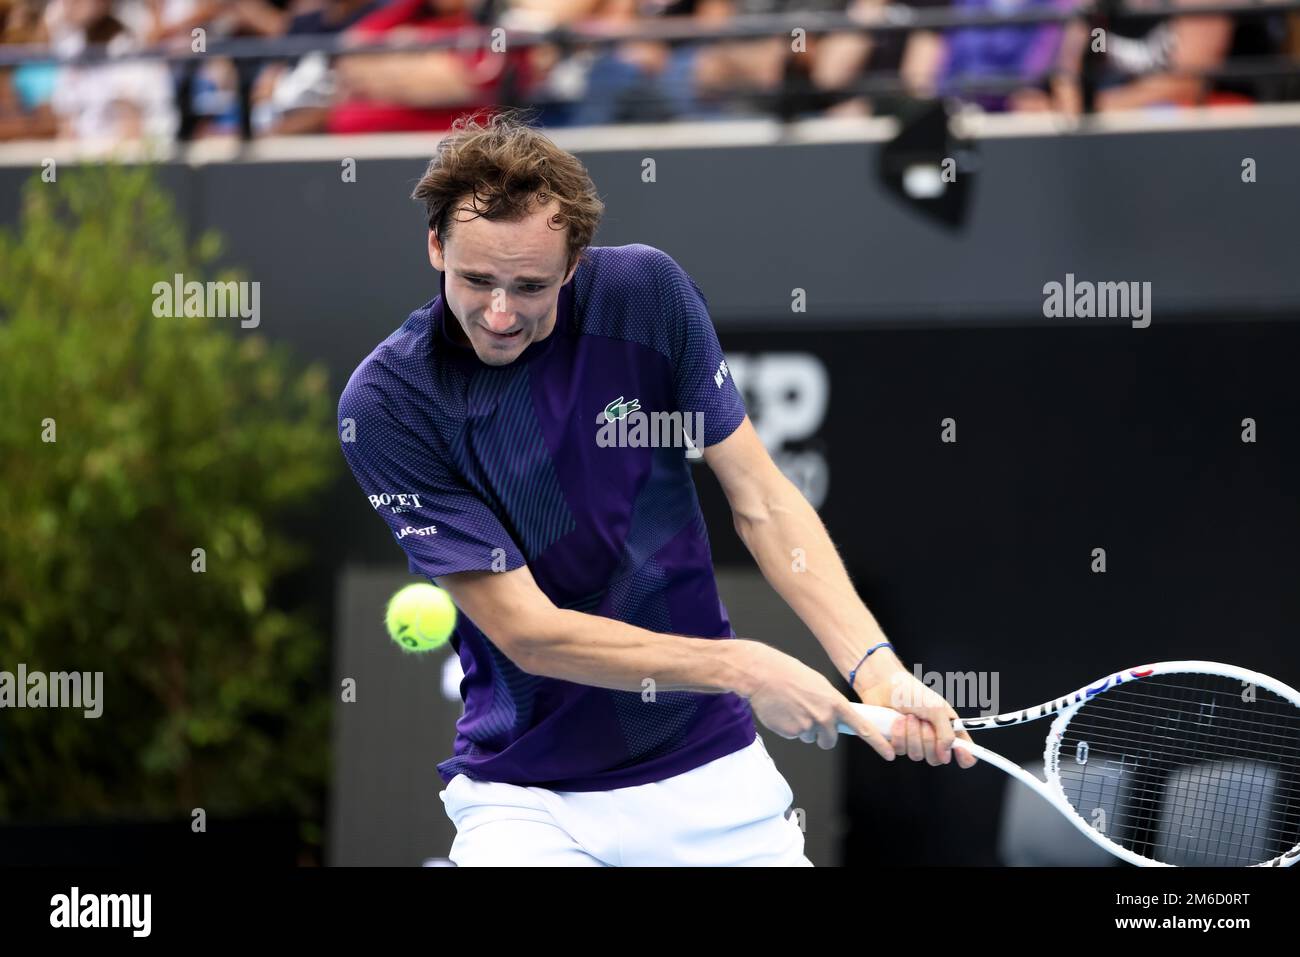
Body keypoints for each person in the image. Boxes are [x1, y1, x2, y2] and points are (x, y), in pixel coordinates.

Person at [338, 109, 975, 867]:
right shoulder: (386, 402)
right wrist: (746, 667)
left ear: (573, 264)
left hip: (712, 776)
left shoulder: (647, 292)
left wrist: (880, 670)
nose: (500, 312)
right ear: (436, 245)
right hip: (528, 801)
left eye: (531, 284)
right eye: (476, 279)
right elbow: (531, 633)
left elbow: (763, 500)